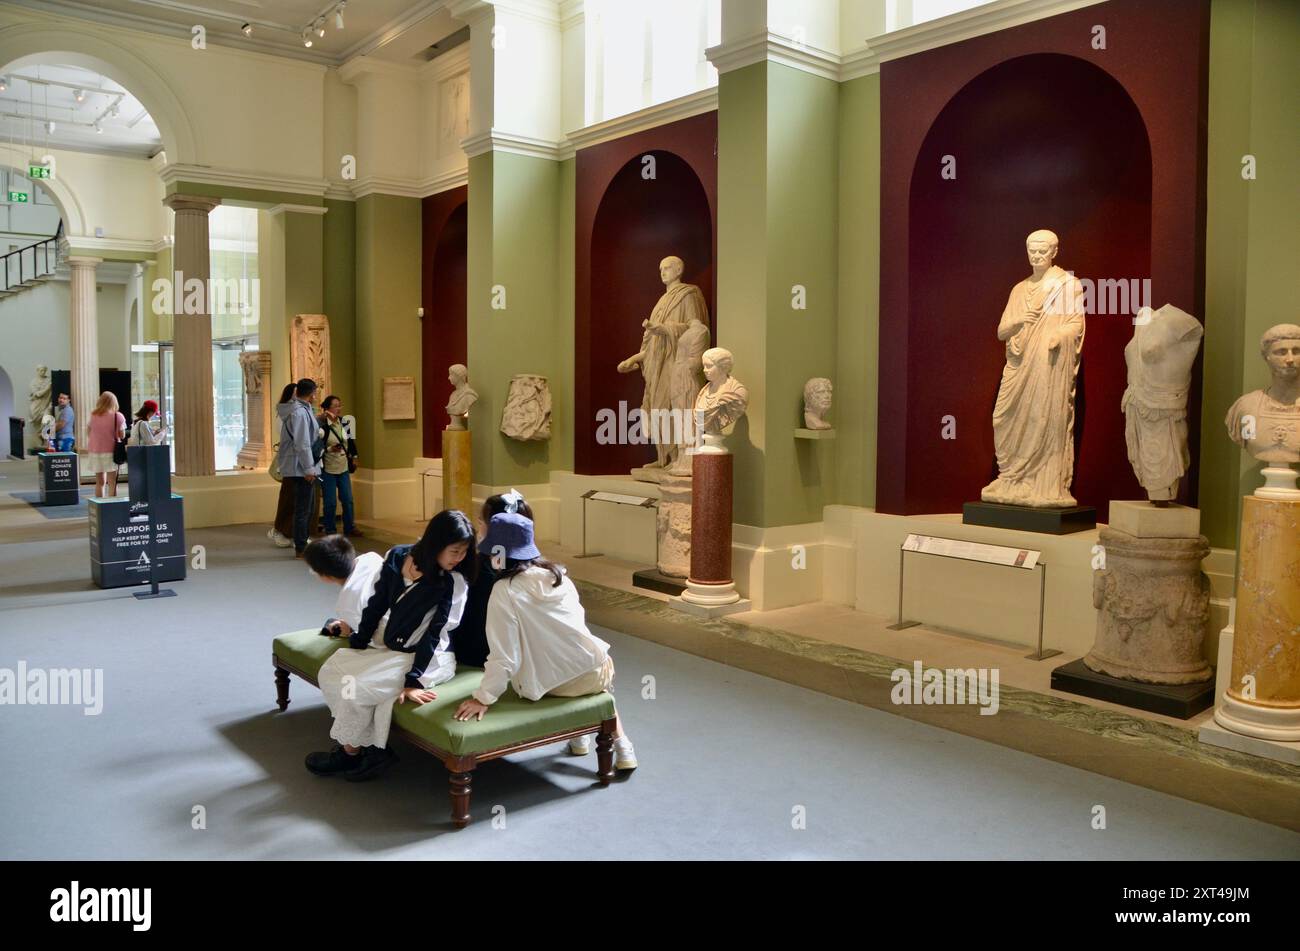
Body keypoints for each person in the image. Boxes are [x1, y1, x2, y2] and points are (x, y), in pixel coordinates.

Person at [453, 512, 637, 770]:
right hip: (596, 672)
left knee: (554, 670)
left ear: (497, 553)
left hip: (551, 686)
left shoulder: (504, 590)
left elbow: (504, 656)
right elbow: (576, 629)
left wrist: (483, 697)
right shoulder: (559, 577)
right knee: (590, 669)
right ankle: (621, 745)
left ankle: (581, 736)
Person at [307, 510, 478, 781]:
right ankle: (370, 750)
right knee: (332, 670)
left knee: (357, 690)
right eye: (455, 551)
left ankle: (354, 755)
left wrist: (412, 681)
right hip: (394, 649)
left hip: (428, 658)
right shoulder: (398, 556)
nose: (460, 559)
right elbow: (377, 604)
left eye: (464, 552)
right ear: (436, 543)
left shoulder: (452, 583)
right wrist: (359, 642)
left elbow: (436, 634)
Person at [453, 489, 534, 669]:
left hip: (477, 651)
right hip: (520, 652)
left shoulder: (482, 566)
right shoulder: (534, 568)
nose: (478, 527)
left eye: (482, 522)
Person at [304, 533, 384, 642]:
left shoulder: (346, 605)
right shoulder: (371, 557)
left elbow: (379, 639)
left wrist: (352, 630)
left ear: (326, 576)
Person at [276, 378, 324, 557]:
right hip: (301, 467)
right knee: (304, 509)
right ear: (312, 393)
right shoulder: (300, 413)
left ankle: (301, 542)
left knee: (306, 507)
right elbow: (302, 443)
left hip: (299, 465)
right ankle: (301, 546)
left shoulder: (300, 410)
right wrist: (309, 469)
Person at [318, 394, 361, 538]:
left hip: (343, 467)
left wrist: (354, 456)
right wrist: (330, 449)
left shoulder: (345, 422)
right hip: (328, 468)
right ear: (327, 408)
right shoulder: (322, 425)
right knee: (330, 501)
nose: (338, 408)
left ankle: (350, 527)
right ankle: (330, 528)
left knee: (347, 499)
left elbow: (351, 443)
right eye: (335, 406)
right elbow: (317, 446)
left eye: (339, 405)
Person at [268, 383, 298, 549]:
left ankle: (294, 532)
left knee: (298, 500)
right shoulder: (284, 413)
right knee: (288, 497)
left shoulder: (301, 411)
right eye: (295, 394)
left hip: (300, 461)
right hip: (290, 460)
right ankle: (280, 529)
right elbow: (288, 435)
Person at [86, 391, 127, 498]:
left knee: (100, 483)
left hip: (95, 452)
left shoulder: (93, 415)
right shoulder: (118, 416)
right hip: (111, 452)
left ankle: (100, 506)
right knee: (112, 482)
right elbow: (122, 435)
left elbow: (89, 432)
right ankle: (112, 506)